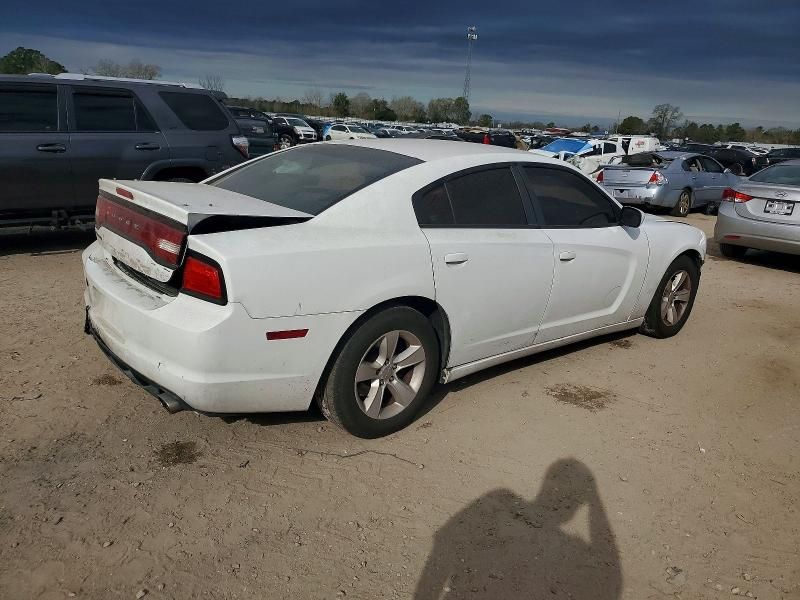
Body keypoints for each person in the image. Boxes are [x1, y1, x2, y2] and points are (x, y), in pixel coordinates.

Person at [414, 458, 622, 599]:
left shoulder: (498, 498)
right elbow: (611, 581)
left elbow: (443, 544)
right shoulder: (500, 499)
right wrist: (595, 500)